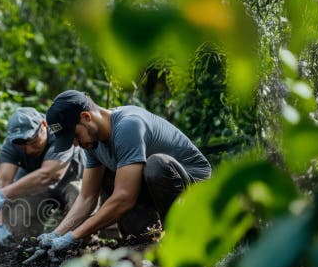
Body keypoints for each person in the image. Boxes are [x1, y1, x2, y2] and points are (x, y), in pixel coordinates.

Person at [38, 90, 212, 252]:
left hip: (195, 190)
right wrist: (56, 234)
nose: (75, 143)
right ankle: (144, 243)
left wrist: (73, 237)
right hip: (154, 187)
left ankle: (181, 239)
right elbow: (87, 197)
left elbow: (124, 198)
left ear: (86, 116)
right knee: (108, 177)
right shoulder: (92, 142)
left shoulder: (128, 125)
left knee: (156, 164)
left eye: (75, 135)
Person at [0, 107, 84, 246]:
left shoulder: (60, 133)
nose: (28, 150)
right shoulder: (13, 142)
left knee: (78, 195)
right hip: (39, 187)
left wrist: (2, 194)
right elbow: (2, 182)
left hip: (74, 181)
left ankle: (76, 240)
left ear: (44, 126)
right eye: (22, 146)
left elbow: (50, 175)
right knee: (18, 222)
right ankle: (32, 245)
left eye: (33, 142)